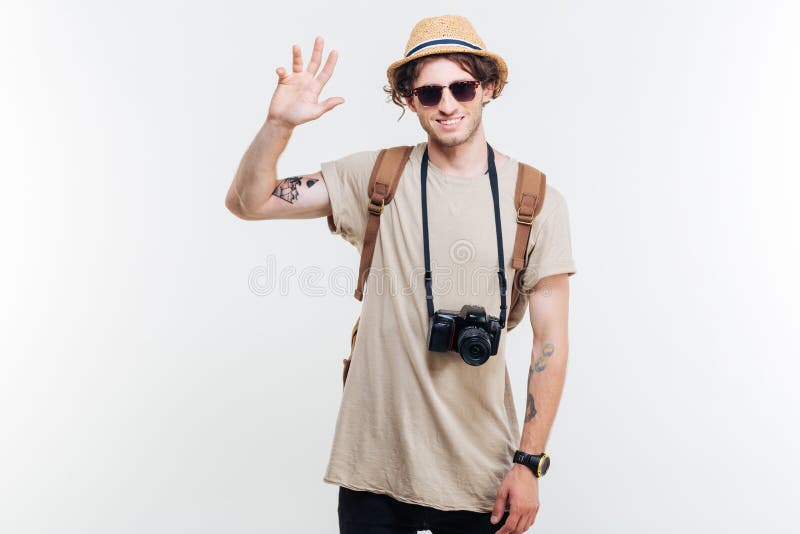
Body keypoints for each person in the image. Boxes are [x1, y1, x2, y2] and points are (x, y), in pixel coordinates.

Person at [226, 14, 577, 534]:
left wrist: (528, 464)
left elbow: (552, 341)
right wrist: (280, 124)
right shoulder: (377, 177)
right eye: (429, 93)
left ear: (488, 87)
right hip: (372, 472)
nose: (448, 104)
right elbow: (248, 202)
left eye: (462, 86)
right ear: (408, 100)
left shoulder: (536, 200)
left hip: (480, 475)